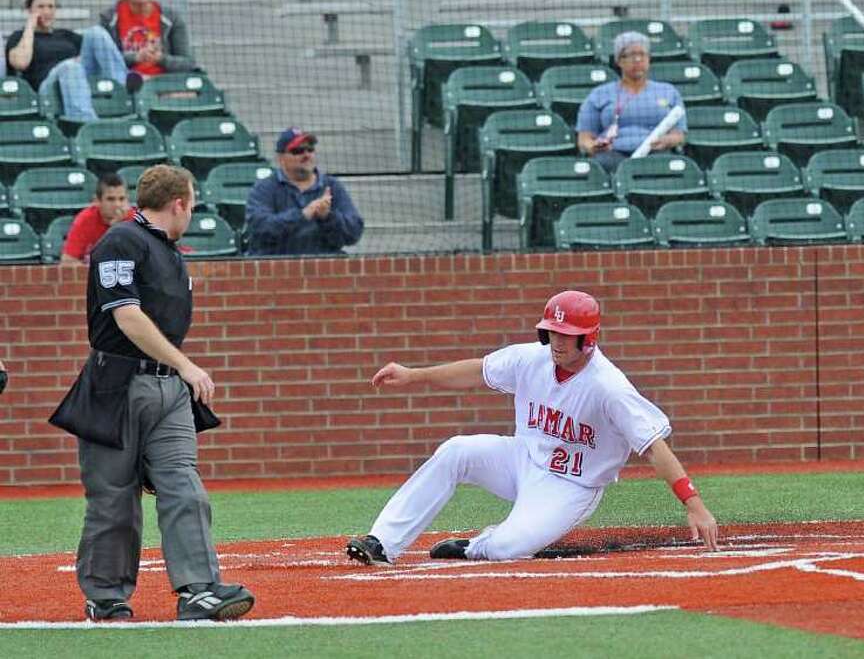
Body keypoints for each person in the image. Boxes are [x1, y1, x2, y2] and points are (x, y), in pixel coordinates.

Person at [346, 290, 719, 564]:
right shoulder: (531, 359)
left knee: (507, 549)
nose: (556, 340)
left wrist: (694, 504)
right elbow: (477, 370)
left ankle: (474, 546)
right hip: (523, 458)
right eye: (552, 331)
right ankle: (382, 543)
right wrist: (414, 376)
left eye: (566, 333)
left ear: (588, 338)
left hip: (571, 485)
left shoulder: (608, 386)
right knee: (456, 450)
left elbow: (655, 447)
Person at [65, 164, 253, 621]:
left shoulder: (169, 251)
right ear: (179, 203)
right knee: (113, 498)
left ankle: (199, 590)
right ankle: (106, 595)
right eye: (192, 202)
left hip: (169, 390)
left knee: (184, 487)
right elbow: (126, 316)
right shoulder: (120, 241)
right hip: (117, 385)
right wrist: (186, 365)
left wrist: (178, 371)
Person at [5, 0, 141, 122]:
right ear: (29, 10)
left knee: (95, 32)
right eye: (41, 7)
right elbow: (20, 63)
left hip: (78, 80)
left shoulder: (66, 35)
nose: (47, 11)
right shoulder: (19, 37)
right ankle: (87, 124)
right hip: (46, 91)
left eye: (51, 7)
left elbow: (102, 55)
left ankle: (124, 89)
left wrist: (136, 57)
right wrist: (30, 26)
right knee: (70, 66)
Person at [576, 32, 687, 174]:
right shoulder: (599, 94)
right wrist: (593, 146)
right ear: (619, 60)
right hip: (612, 155)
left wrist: (667, 141)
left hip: (655, 154)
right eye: (631, 55)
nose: (638, 59)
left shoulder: (668, 92)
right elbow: (584, 139)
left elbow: (679, 135)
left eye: (643, 54)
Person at [243, 127, 364, 256]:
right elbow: (261, 229)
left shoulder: (332, 186)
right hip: (276, 267)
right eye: (298, 151)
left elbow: (353, 232)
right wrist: (303, 215)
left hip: (323, 266)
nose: (306, 155)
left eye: (310, 150)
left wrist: (328, 217)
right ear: (281, 158)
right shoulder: (264, 188)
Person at [100, 0, 197, 77]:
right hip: (125, 80)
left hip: (164, 81)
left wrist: (161, 59)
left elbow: (188, 62)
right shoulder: (109, 19)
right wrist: (135, 58)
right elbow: (105, 60)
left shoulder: (171, 18)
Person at [61, 173, 132, 266]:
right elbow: (67, 261)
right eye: (110, 199)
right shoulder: (85, 220)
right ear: (97, 201)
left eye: (122, 199)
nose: (117, 204)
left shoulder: (134, 220)